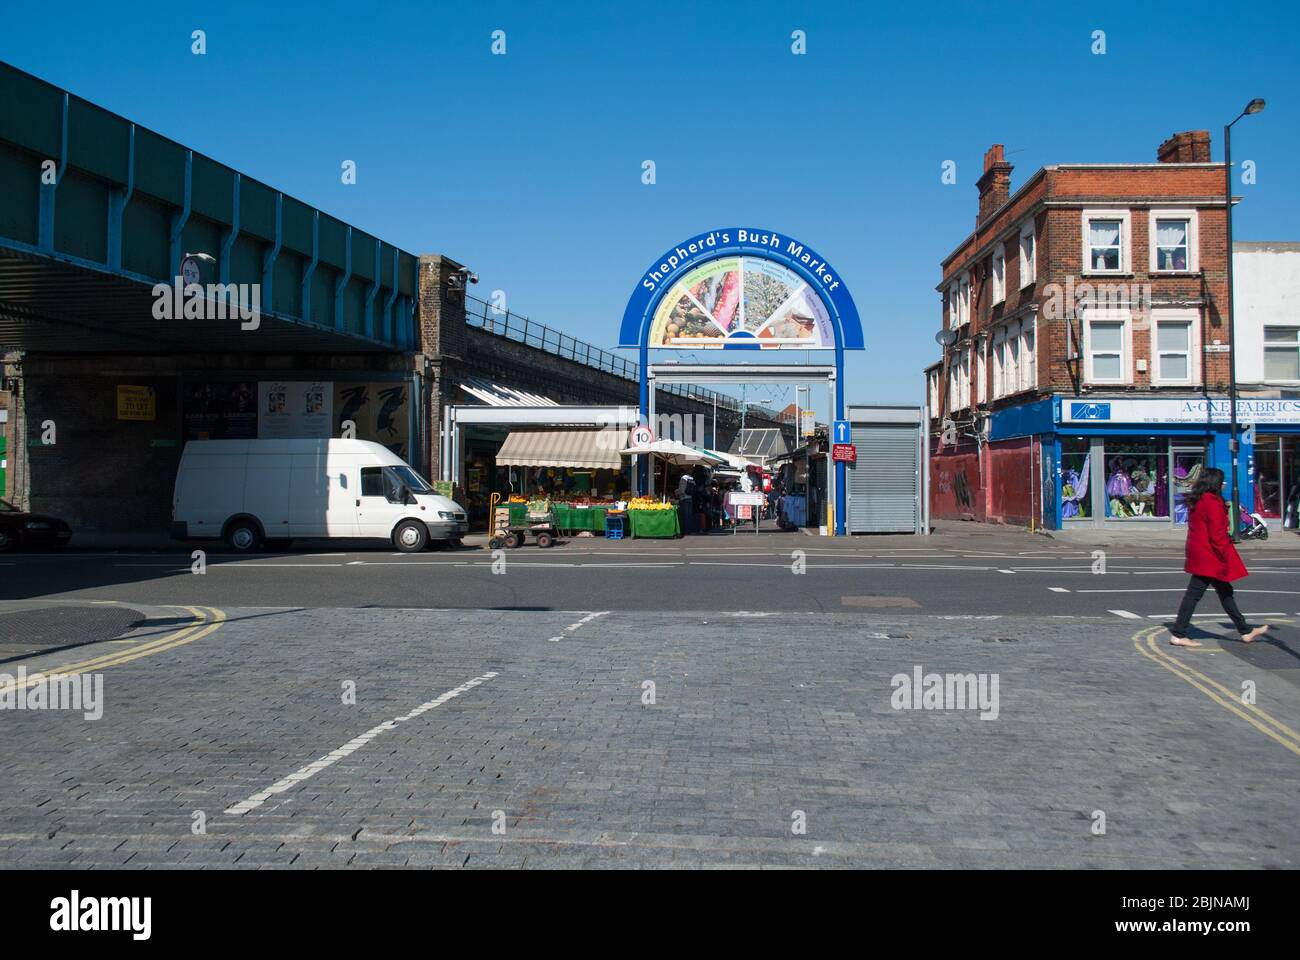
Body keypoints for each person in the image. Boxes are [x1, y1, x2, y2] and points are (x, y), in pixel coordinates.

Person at [1168, 467, 1269, 648]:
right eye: (1222, 481)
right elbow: (1217, 534)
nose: (1224, 484)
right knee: (1197, 594)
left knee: (1224, 592)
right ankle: (1178, 633)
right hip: (1210, 555)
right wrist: (1224, 555)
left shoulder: (1198, 499)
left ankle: (1245, 631)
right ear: (1214, 483)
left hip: (1201, 552)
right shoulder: (1212, 502)